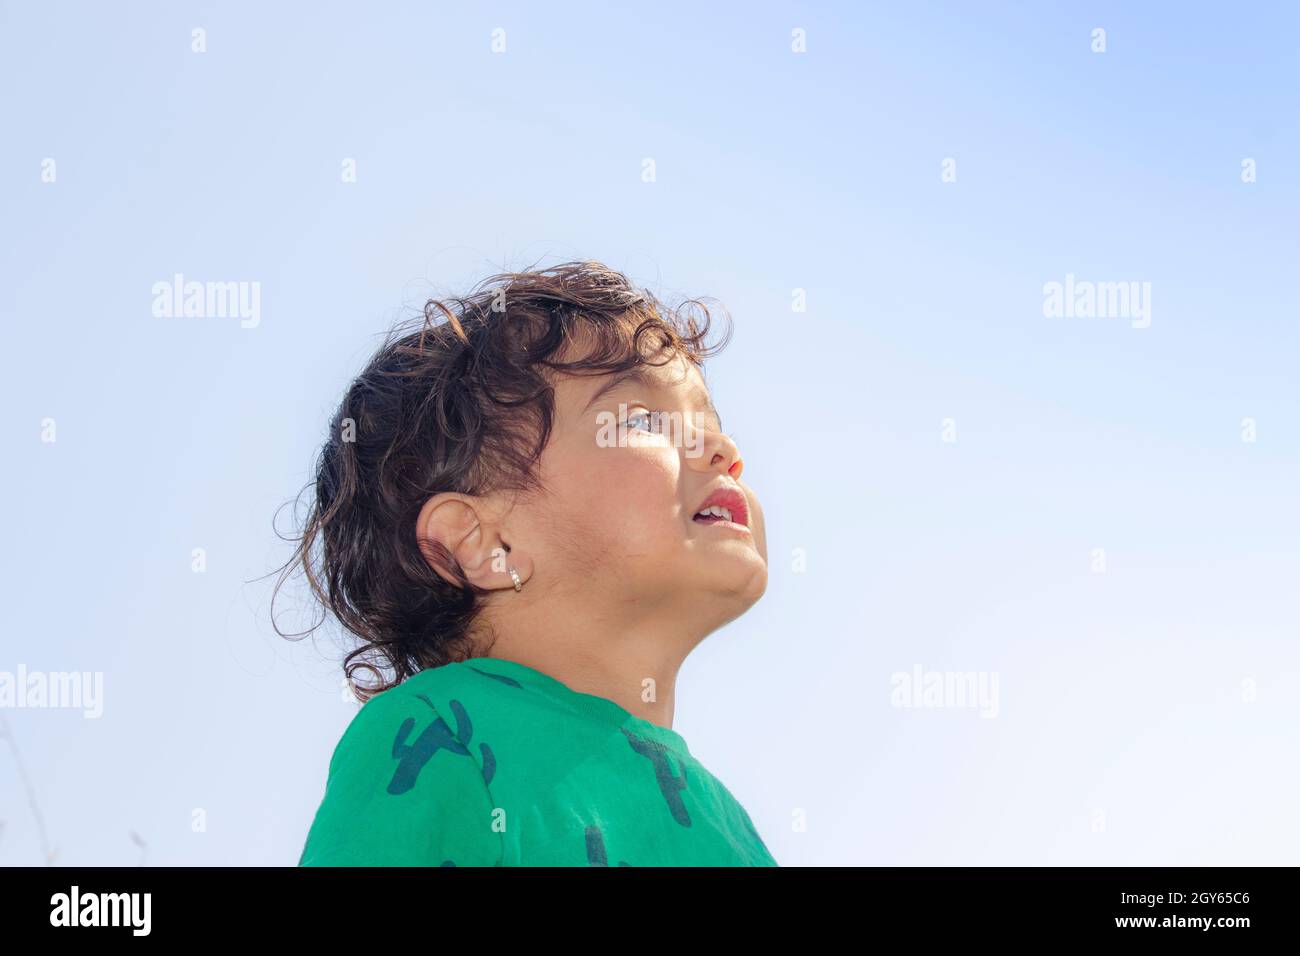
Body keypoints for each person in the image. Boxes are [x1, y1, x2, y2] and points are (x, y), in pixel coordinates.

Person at [283, 260, 775, 866]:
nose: (724, 450)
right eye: (644, 421)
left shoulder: (730, 826)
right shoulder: (441, 732)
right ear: (486, 544)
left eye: (711, 424)